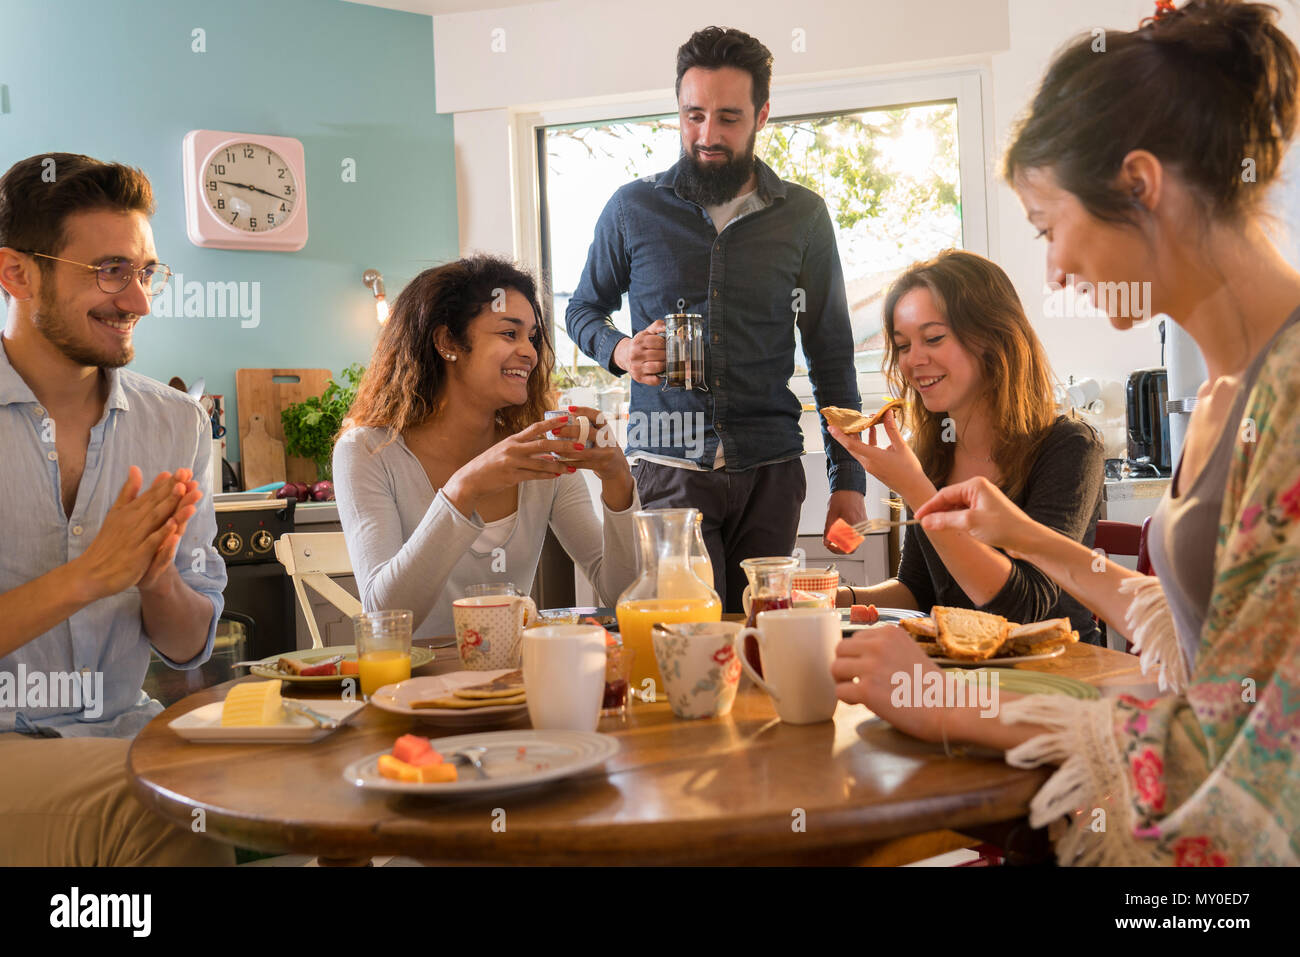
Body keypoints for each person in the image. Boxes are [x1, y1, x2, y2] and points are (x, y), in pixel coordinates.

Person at [833, 0, 1300, 865]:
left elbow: (1256, 743)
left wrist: (941, 701)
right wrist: (1026, 536)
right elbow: (1215, 630)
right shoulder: (1220, 397)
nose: (1052, 269)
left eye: (1050, 227)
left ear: (1138, 186)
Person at [565, 26, 867, 613]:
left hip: (772, 470)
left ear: (762, 116)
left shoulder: (804, 216)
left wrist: (848, 483)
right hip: (668, 470)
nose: (707, 135)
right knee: (688, 641)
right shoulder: (633, 208)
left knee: (764, 635)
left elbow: (831, 352)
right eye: (693, 115)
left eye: (729, 118)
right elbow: (582, 310)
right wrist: (622, 351)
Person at [0, 153, 232, 865]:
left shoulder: (176, 424)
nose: (138, 300)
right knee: (166, 809)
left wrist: (154, 577)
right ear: (17, 273)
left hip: (132, 730)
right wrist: (90, 574)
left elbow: (188, 645)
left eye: (145, 271)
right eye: (108, 271)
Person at [334, 256, 639, 637]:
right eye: (509, 334)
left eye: (532, 337)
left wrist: (618, 481)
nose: (529, 352)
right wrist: (466, 488)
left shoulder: (541, 451)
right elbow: (385, 616)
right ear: (448, 342)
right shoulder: (367, 452)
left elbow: (622, 595)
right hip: (411, 689)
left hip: (512, 682)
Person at [828, 250, 1105, 644]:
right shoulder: (931, 456)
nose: (913, 361)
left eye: (934, 338)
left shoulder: (1070, 447)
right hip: (968, 676)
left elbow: (1021, 608)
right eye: (903, 345)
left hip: (1062, 678)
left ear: (993, 338)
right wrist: (833, 599)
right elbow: (918, 591)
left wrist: (917, 490)